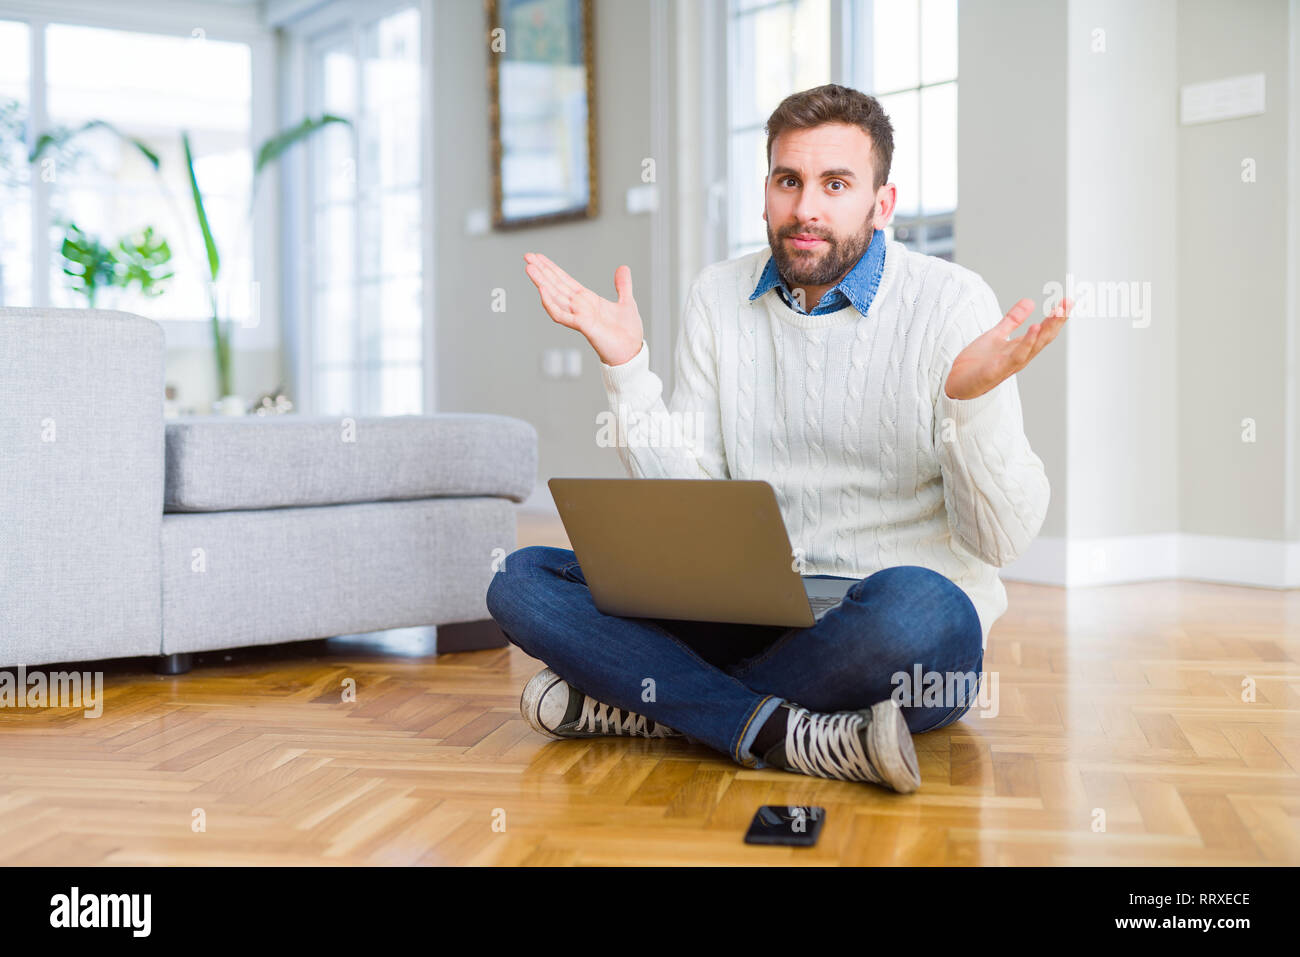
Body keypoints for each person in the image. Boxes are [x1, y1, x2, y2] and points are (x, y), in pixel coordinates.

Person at [488, 83, 1069, 794]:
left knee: (929, 613)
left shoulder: (953, 304)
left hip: (882, 629)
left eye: (836, 183)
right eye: (788, 180)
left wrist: (966, 405)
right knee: (522, 581)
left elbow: (1001, 543)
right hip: (750, 608)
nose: (806, 209)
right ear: (765, 190)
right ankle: (783, 731)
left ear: (881, 204)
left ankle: (657, 705)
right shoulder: (717, 295)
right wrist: (627, 367)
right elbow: (689, 506)